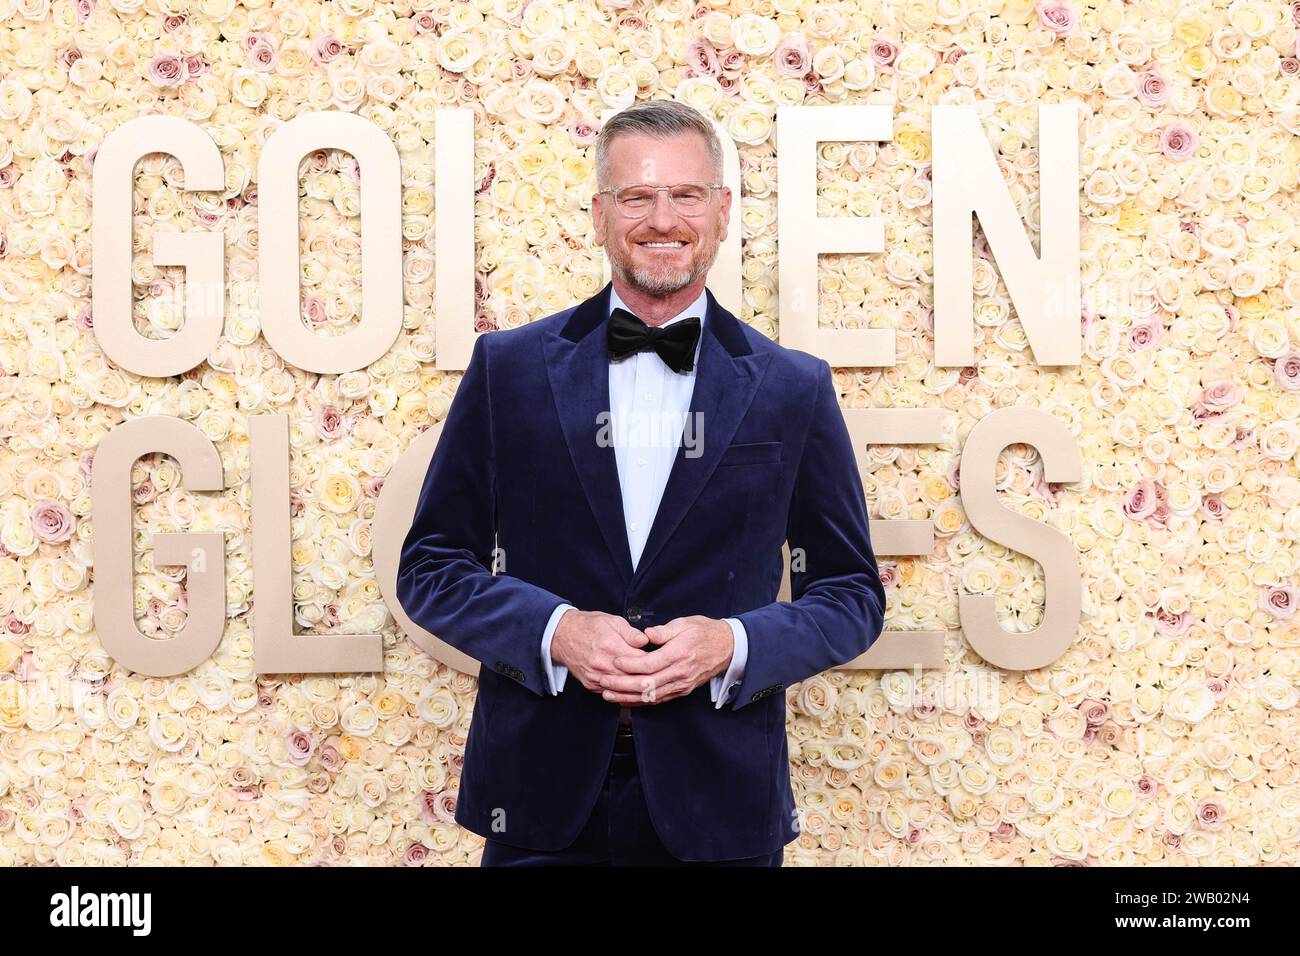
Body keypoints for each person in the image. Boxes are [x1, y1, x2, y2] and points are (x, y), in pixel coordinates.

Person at [397, 99, 885, 866]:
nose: (663, 218)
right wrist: (558, 631)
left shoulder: (794, 388)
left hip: (721, 805)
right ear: (599, 216)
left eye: (686, 194)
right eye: (637, 197)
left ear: (721, 213)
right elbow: (430, 570)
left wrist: (733, 643)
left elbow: (852, 596)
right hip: (538, 796)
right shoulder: (508, 371)